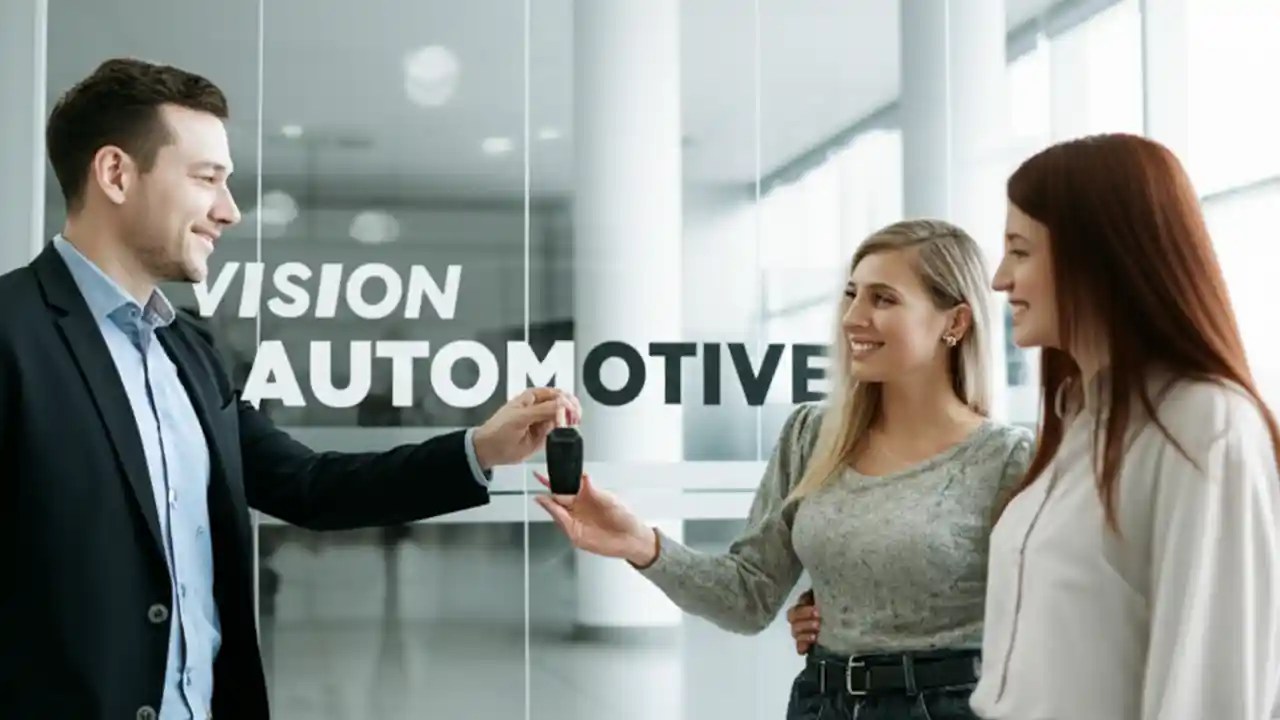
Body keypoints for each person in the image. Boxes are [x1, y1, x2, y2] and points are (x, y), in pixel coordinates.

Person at [0, 58, 581, 719]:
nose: (228, 210)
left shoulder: (190, 351)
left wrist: (480, 449)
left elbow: (308, 485)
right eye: (206, 179)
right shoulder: (12, 334)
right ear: (115, 174)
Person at [789, 133, 1280, 720]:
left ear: (1100, 256)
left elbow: (1212, 691)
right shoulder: (1075, 427)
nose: (999, 279)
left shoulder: (1204, 425)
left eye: (1019, 252)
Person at [536, 219, 1034, 719]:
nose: (852, 317)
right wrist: (640, 543)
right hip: (822, 702)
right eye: (852, 294)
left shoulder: (1006, 459)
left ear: (955, 322)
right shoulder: (811, 435)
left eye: (883, 299)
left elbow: (1046, 626)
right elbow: (748, 597)